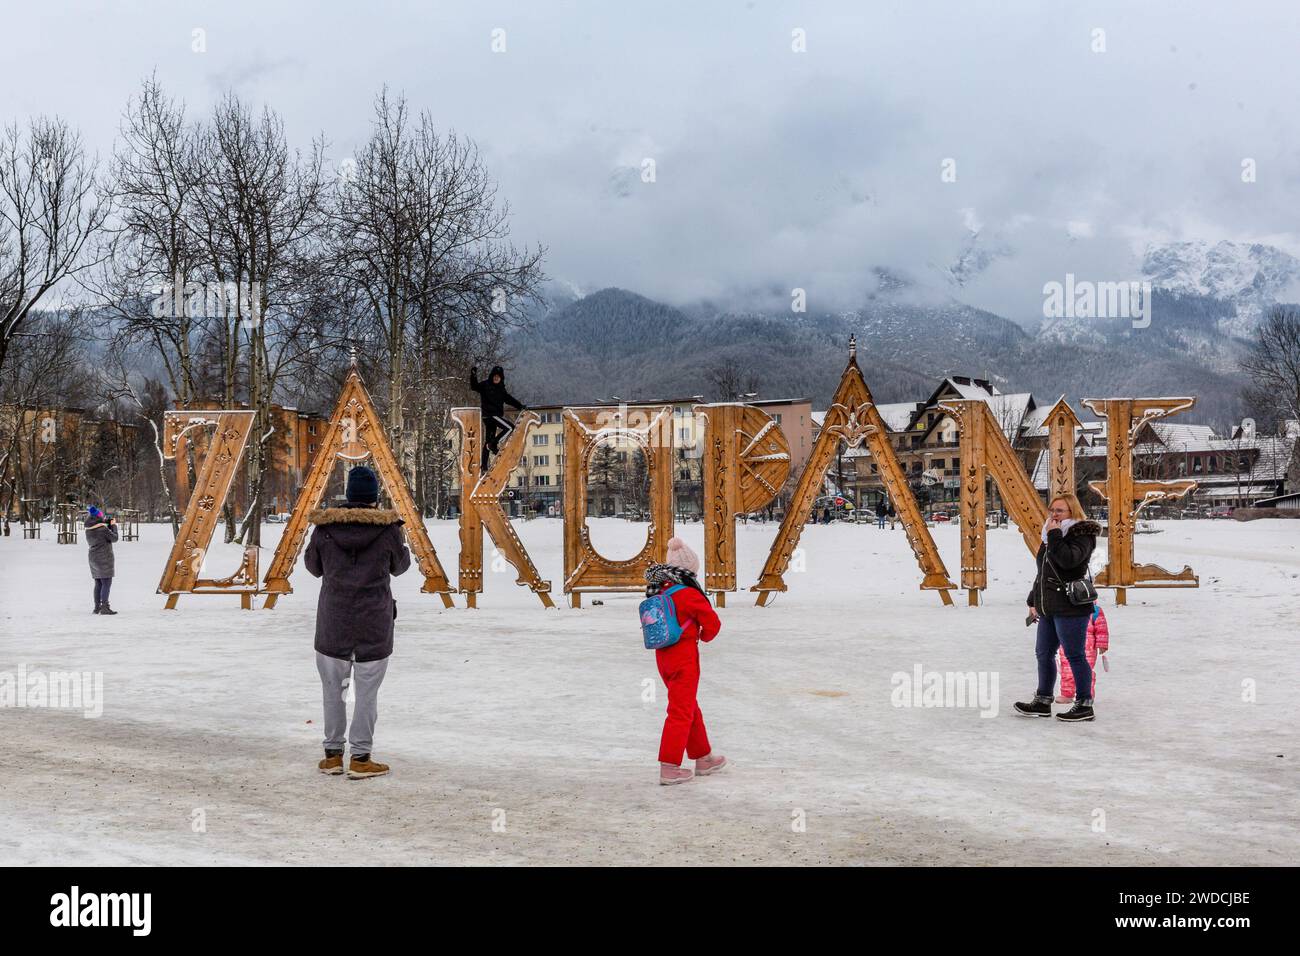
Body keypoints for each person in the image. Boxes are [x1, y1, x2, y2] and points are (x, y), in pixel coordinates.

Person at [305, 465, 411, 779]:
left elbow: (313, 567)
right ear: (374, 496)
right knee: (367, 693)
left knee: (333, 691)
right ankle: (362, 758)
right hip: (374, 624)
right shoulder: (389, 528)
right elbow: (400, 567)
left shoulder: (325, 528)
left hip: (333, 622)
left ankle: (333, 756)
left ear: (349, 494)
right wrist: (398, 538)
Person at [1015, 494, 1102, 723]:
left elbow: (1068, 561)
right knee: (1043, 653)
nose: (1054, 515)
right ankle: (1043, 700)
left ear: (1072, 511)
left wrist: (1054, 536)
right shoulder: (1049, 536)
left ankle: (1084, 704)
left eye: (1060, 511)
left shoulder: (1082, 535)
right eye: (1052, 510)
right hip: (1049, 606)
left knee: (1074, 655)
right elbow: (1044, 571)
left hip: (1071, 607)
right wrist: (1033, 599)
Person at [646, 537, 726, 786]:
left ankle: (703, 757)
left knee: (688, 705)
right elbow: (713, 625)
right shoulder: (689, 595)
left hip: (664, 658)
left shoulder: (660, 590)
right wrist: (702, 635)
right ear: (690, 571)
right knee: (680, 710)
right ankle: (669, 767)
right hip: (684, 659)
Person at [470, 364, 527, 471]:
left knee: (488, 441)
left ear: (501, 378)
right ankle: (494, 444)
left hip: (493, 417)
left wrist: (520, 406)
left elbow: (509, 399)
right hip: (490, 415)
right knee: (510, 428)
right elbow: (474, 387)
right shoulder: (485, 385)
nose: (496, 378)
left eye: (498, 377)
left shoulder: (501, 389)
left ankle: (484, 467)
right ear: (492, 376)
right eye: (495, 376)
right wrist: (473, 375)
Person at [1057, 605, 1110, 703]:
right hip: (1067, 644)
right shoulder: (1063, 608)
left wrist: (1102, 644)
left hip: (1088, 648)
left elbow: (1101, 629)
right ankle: (1067, 694)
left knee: (1085, 670)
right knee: (1067, 671)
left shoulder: (1094, 610)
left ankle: (1087, 694)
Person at [85, 505, 119, 615]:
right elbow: (114, 538)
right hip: (104, 558)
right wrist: (113, 526)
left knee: (98, 582)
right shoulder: (102, 529)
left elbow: (102, 534)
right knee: (106, 582)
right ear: (98, 518)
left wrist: (106, 524)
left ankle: (97, 607)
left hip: (93, 558)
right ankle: (105, 607)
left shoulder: (89, 529)